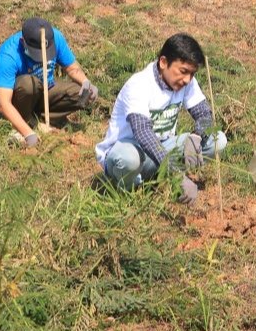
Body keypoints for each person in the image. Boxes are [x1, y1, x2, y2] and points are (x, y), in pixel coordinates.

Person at [95, 33, 227, 206]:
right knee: (129, 160)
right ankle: (127, 192)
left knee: (217, 140)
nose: (187, 79)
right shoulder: (139, 85)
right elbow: (143, 133)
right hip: (128, 151)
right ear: (163, 62)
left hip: (162, 148)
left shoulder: (186, 83)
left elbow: (204, 114)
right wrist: (177, 174)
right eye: (183, 71)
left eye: (192, 74)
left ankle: (157, 177)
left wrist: (196, 136)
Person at [0, 18, 98, 148]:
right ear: (23, 42)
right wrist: (28, 135)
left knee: (80, 94)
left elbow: (71, 68)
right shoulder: (8, 55)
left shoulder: (56, 37)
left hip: (45, 90)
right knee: (29, 83)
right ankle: (25, 123)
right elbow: (3, 103)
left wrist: (86, 81)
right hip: (18, 97)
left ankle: (36, 119)